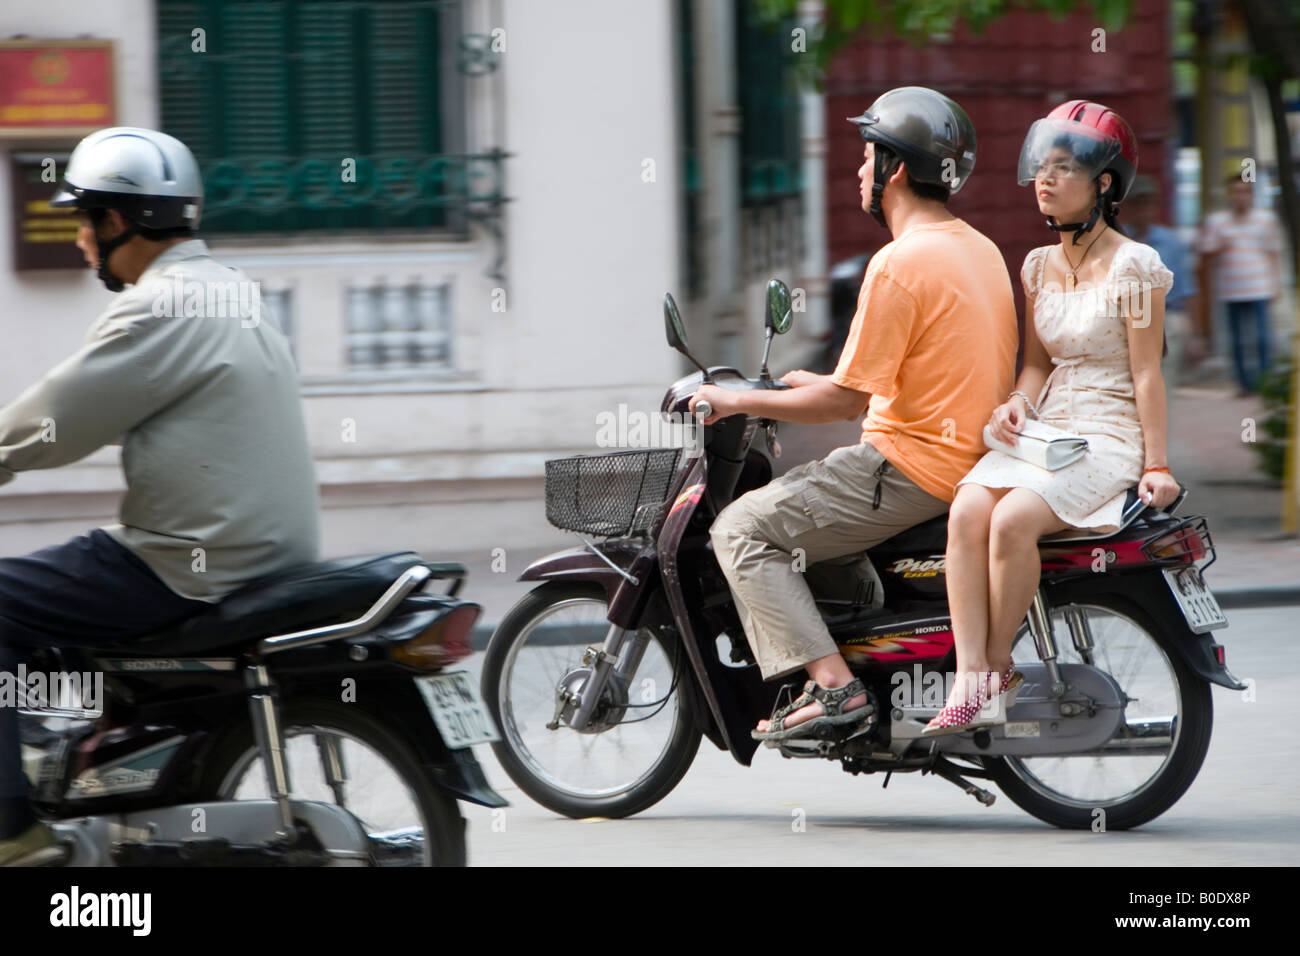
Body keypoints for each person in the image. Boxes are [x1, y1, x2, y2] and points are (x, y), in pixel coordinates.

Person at [0, 128, 320, 865]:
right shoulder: (228, 290)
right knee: (62, 597)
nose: (79, 237)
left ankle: (13, 831)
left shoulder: (159, 307)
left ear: (117, 223)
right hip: (267, 548)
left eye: (84, 219)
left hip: (189, 561)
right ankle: (86, 756)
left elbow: (55, 418)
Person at [687, 87, 1018, 742]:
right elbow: (906, 371)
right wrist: (813, 382)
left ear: (895, 169)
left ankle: (835, 689)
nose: (858, 171)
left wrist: (734, 399)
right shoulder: (976, 248)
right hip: (968, 460)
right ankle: (863, 632)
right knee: (798, 500)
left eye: (868, 156)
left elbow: (845, 404)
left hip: (911, 468)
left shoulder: (899, 263)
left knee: (741, 529)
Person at [929, 100, 1181, 734]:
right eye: (1042, 167)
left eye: (1064, 169)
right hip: (1050, 429)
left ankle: (990, 671)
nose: (1045, 179)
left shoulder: (1137, 267)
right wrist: (1017, 402)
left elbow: (1148, 371)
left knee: (1012, 518)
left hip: (1109, 429)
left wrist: (1158, 463)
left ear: (1104, 184)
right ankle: (972, 676)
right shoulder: (1038, 266)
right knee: (966, 509)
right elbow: (1037, 365)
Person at [1201, 174, 1284, 395]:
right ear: (1229, 195)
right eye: (1235, 192)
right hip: (1232, 290)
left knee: (1262, 339)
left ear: (1252, 195)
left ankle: (1265, 383)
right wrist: (1219, 247)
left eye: (1244, 192)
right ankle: (1244, 385)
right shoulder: (1217, 222)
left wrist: (1277, 285)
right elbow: (1206, 257)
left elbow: (1274, 254)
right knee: (1236, 341)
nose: (1240, 197)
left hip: (1260, 287)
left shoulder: (1265, 219)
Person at [1124, 175, 1198, 386]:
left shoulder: (1171, 241)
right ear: (1128, 207)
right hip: (1129, 317)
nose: (1143, 209)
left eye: (1148, 203)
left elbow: (1187, 289)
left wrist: (1194, 335)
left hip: (1167, 317)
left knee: (1163, 382)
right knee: (1131, 383)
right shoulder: (1120, 239)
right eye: (1138, 203)